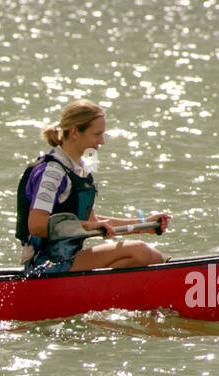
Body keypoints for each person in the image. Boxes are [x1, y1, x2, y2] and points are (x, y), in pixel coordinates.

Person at [15, 100, 170, 273]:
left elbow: (92, 221)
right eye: (97, 134)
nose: (102, 141)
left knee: (154, 256)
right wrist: (88, 227)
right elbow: (36, 225)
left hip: (68, 259)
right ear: (74, 132)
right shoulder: (51, 173)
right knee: (140, 252)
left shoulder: (80, 171)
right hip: (46, 265)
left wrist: (143, 224)